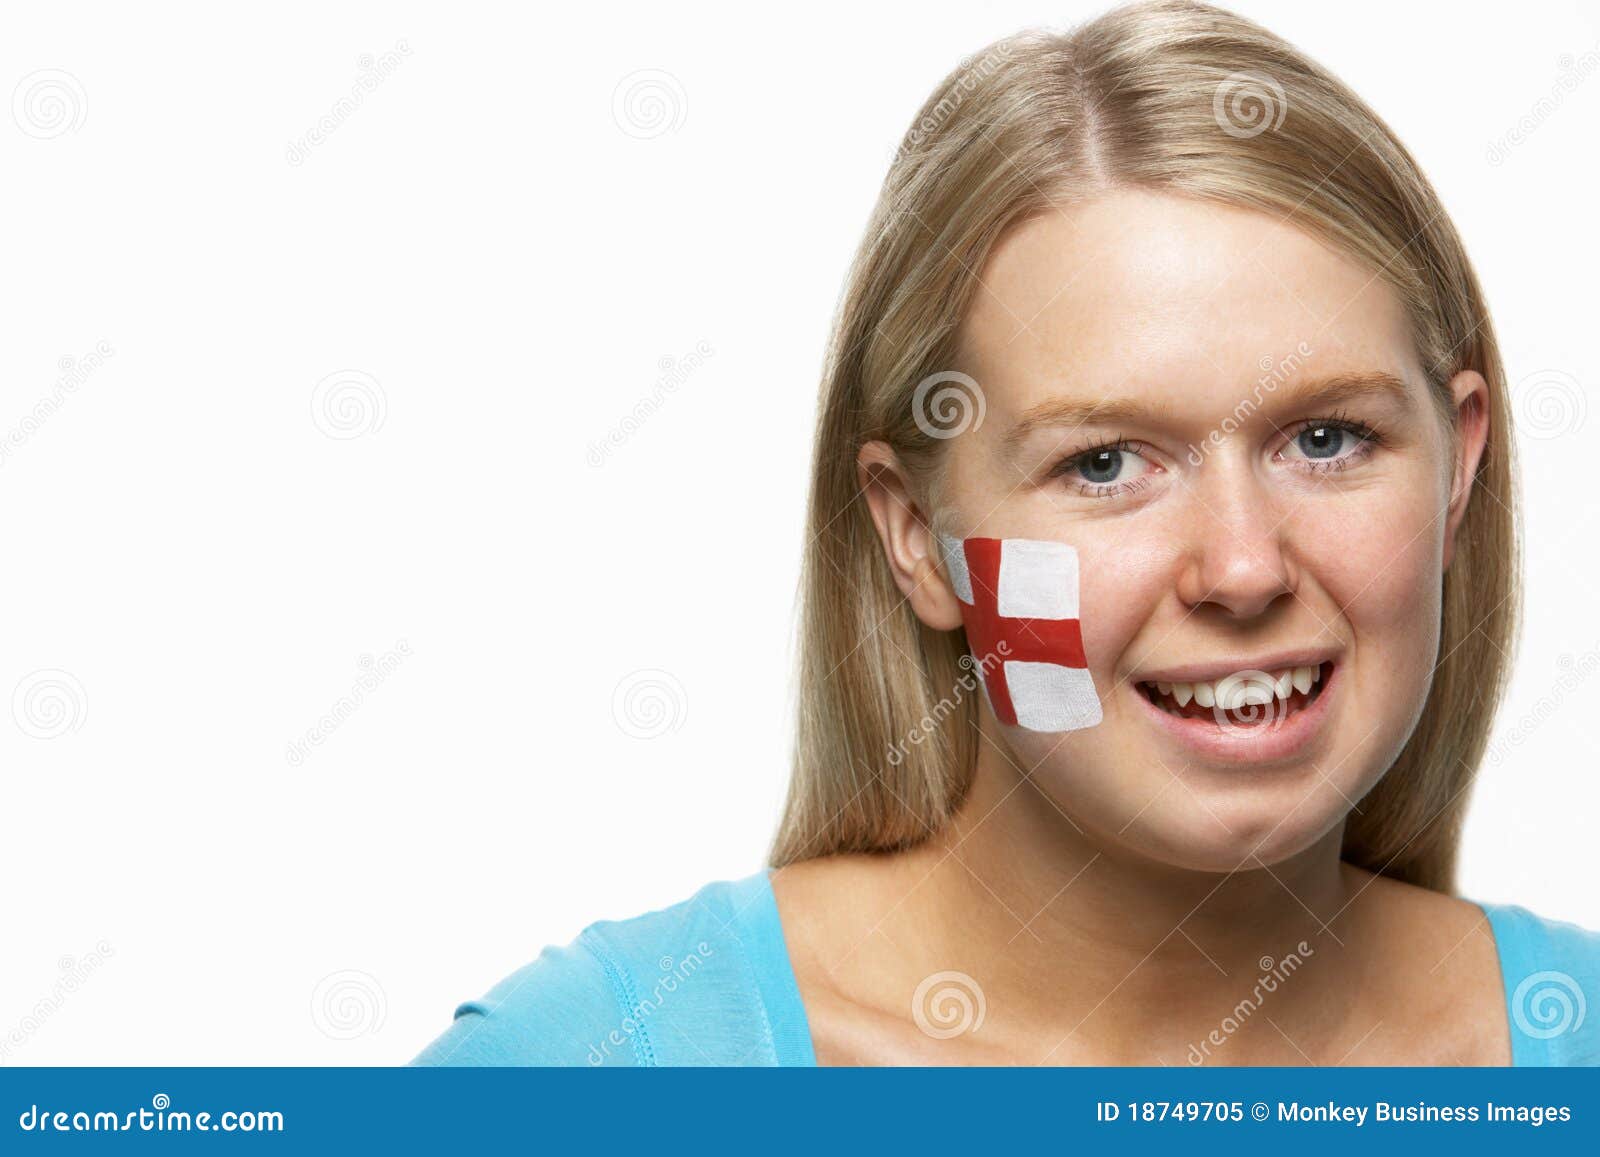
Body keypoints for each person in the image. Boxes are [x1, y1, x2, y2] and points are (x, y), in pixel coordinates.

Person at [414, 0, 1600, 1066]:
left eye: (1328, 439)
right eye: (1102, 463)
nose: (1242, 565)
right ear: (917, 538)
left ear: (1457, 473)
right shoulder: (604, 1069)